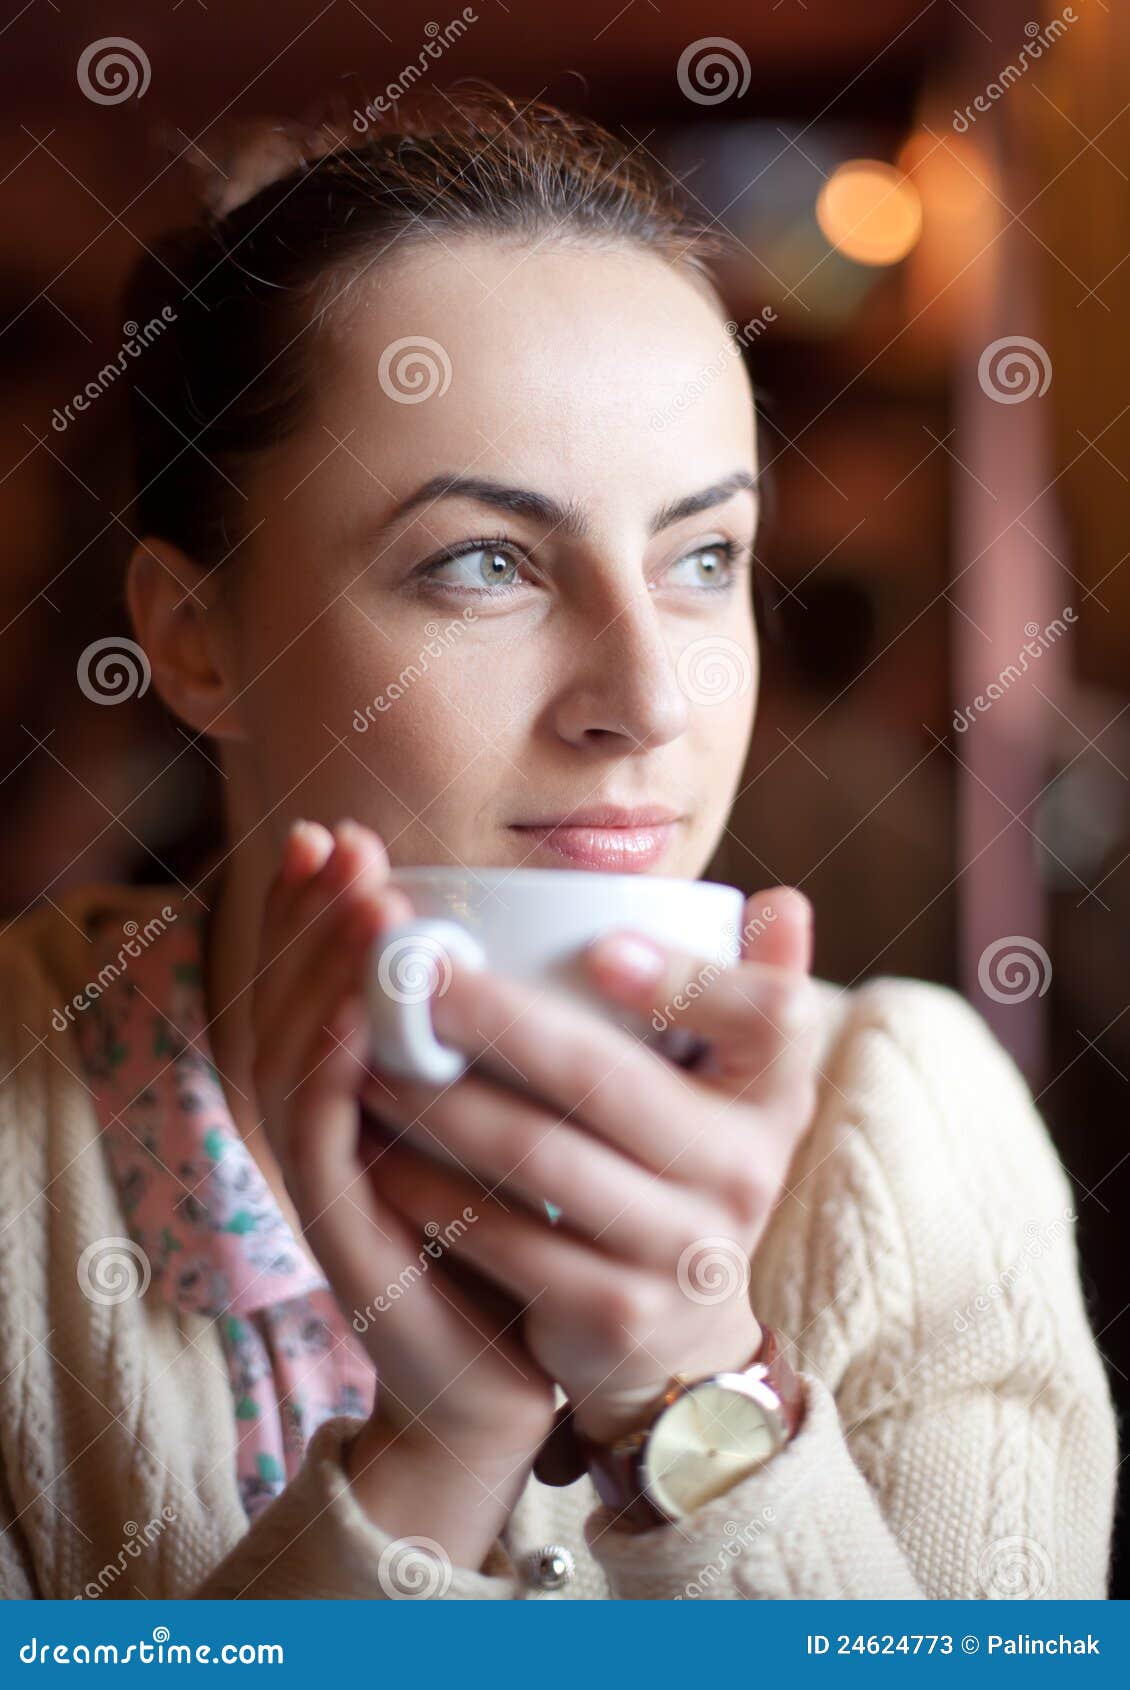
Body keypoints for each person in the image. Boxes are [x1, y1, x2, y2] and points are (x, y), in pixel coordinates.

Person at [0, 91, 1115, 1601]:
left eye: (702, 557)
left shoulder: (909, 1138)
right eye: (483, 563)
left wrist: (688, 1388)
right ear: (193, 640)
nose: (648, 697)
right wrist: (438, 1452)